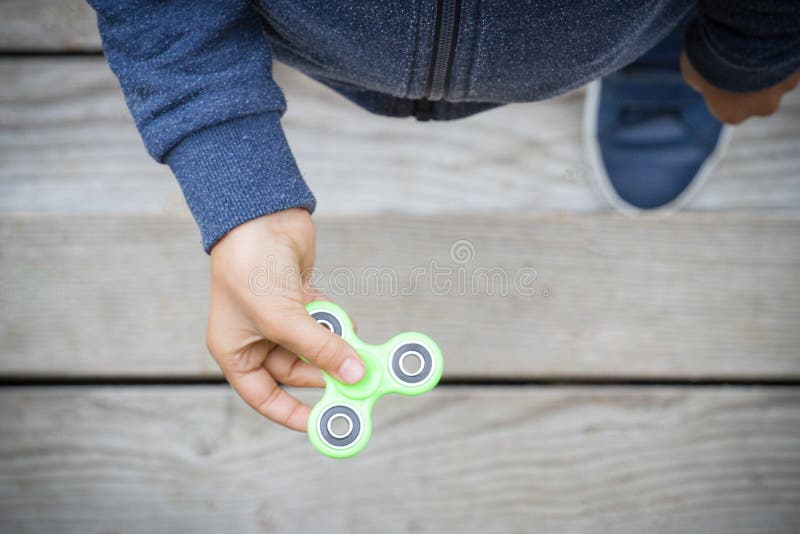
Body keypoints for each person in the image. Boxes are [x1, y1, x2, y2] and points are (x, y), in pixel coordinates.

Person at [87, 0, 800, 432]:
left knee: (664, 29)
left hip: (623, 20)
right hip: (320, 36)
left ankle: (667, 57)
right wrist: (234, 175)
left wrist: (747, 52)